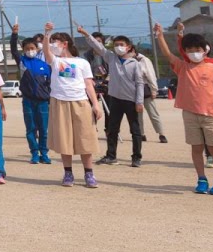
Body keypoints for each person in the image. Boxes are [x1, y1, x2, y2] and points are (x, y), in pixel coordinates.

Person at [154, 23, 213, 196]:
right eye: (189, 49)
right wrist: (160, 36)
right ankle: (201, 179)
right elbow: (167, 54)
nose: (193, 52)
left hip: (210, 115)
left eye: (197, 48)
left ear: (205, 50)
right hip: (189, 115)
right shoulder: (183, 67)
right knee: (196, 148)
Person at [43, 24, 103, 188]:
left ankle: (89, 173)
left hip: (81, 101)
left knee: (85, 138)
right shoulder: (55, 61)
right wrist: (47, 33)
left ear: (65, 43)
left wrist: (95, 105)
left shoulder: (82, 62)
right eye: (52, 42)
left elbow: (89, 85)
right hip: (60, 102)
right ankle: (68, 173)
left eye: (57, 41)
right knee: (65, 139)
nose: (53, 44)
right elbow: (47, 53)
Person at [81, 28, 144, 167]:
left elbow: (140, 83)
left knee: (135, 130)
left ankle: (136, 157)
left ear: (128, 47)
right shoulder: (111, 58)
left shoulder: (135, 64)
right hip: (114, 98)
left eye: (121, 45)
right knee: (112, 128)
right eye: (116, 45)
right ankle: (111, 155)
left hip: (131, 100)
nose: (118, 47)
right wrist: (87, 35)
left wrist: (139, 101)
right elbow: (99, 47)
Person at [17, 36, 52, 164]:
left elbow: (50, 83)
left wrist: (49, 97)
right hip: (28, 101)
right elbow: (15, 52)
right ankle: (34, 153)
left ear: (37, 49)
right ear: (23, 50)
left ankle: (44, 153)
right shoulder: (22, 62)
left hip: (43, 102)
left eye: (32, 48)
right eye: (27, 49)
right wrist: (15, 34)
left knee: (44, 129)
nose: (30, 50)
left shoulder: (45, 65)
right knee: (31, 128)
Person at [132, 44, 167, 143]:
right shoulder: (126, 61)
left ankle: (161, 134)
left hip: (145, 89)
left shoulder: (143, 60)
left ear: (133, 50)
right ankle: (141, 134)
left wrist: (154, 89)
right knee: (138, 115)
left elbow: (151, 75)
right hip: (133, 91)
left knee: (153, 113)